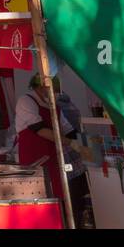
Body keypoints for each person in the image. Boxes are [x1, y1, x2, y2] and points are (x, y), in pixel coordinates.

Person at [16, 74, 85, 205]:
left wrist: (84, 145)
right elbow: (39, 129)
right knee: (40, 199)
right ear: (42, 87)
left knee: (59, 195)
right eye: (53, 90)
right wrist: (70, 142)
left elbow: (68, 129)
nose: (55, 94)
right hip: (34, 160)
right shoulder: (25, 101)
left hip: (54, 159)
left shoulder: (53, 106)